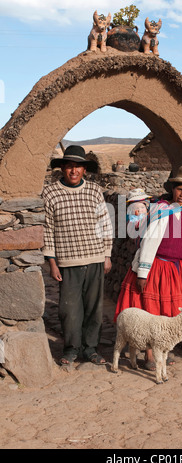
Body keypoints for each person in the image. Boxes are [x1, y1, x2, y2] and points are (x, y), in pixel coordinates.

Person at [114, 165, 182, 370]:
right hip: (157, 267)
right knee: (150, 310)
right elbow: (150, 242)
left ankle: (162, 350)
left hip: (178, 268)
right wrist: (142, 273)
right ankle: (149, 355)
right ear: (173, 189)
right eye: (179, 189)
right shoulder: (161, 210)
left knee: (169, 311)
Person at [42, 145, 113, 366]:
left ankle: (91, 348)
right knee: (69, 309)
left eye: (78, 167)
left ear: (84, 170)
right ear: (62, 169)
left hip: (94, 258)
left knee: (94, 308)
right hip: (67, 261)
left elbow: (105, 224)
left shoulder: (94, 190)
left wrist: (107, 254)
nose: (74, 171)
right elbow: (47, 230)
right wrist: (52, 263)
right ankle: (71, 348)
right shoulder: (50, 193)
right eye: (69, 166)